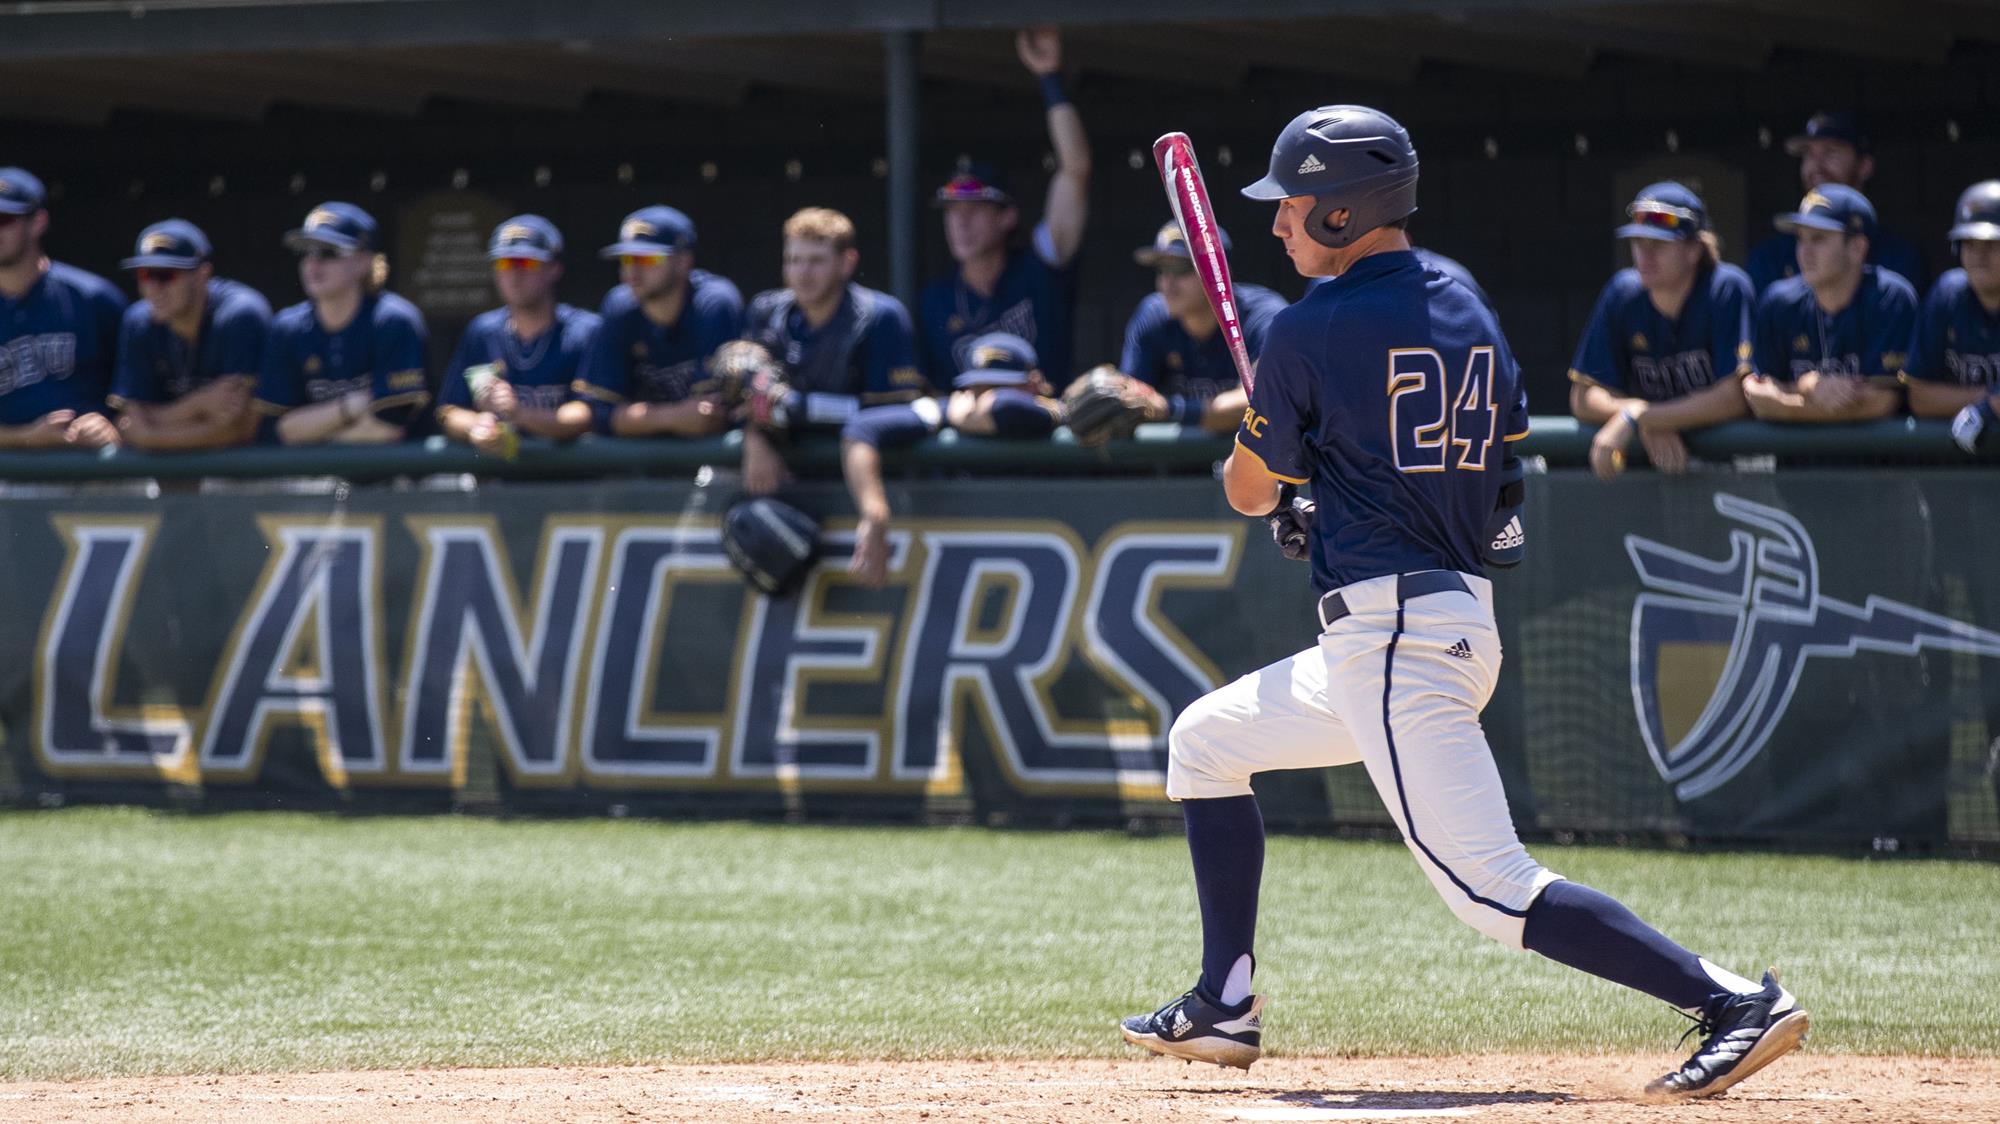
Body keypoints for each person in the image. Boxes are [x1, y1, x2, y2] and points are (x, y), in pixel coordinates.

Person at [1116, 104, 1809, 1102]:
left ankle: (1730, 998)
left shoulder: (1305, 329)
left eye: (1293, 207)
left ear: (1346, 214)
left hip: (1393, 636)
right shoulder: (1460, 295)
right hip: (1430, 616)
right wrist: (1331, 494)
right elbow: (1492, 463)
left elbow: (1245, 489)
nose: (1275, 225)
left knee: (1490, 889)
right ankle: (1225, 1000)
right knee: (1205, 742)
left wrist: (1293, 485)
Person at [917, 27, 1089, 387]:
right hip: (970, 436)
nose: (960, 223)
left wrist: (1049, 79)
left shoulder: (1040, 266)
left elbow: (1075, 170)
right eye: (952, 212)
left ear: (1007, 216)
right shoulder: (936, 301)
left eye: (975, 210)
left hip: (1047, 431)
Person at [839, 332, 1061, 587]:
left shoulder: (1050, 412)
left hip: (1045, 558)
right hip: (972, 564)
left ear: (1033, 384)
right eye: (975, 388)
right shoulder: (948, 410)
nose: (980, 397)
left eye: (996, 387)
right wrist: (874, 513)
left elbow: (1007, 408)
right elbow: (861, 428)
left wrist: (973, 416)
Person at [1567, 183, 1755, 480]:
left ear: (1694, 249)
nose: (1645, 254)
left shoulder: (1726, 289)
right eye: (1638, 242)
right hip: (1654, 471)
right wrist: (1640, 414)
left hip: (1732, 470)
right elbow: (1583, 396)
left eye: (1659, 244)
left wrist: (1640, 417)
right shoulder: (1623, 293)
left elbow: (1735, 396)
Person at [739, 206, 926, 494]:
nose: (802, 273)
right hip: (789, 478)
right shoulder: (766, 312)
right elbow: (749, 401)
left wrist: (799, 407)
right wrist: (756, 436)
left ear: (847, 262)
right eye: (793, 260)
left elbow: (890, 413)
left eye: (816, 261)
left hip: (872, 481)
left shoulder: (881, 316)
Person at [253, 202, 430, 444]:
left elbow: (389, 428)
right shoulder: (287, 327)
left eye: (328, 252)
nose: (313, 264)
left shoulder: (394, 321)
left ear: (362, 261)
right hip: (311, 479)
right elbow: (281, 429)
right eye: (307, 252)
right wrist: (349, 407)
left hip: (400, 477)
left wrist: (313, 433)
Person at [1744, 185, 1916, 423]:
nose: (1805, 251)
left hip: (1874, 457)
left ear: (1857, 248)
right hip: (1800, 457)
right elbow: (1759, 390)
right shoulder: (1779, 302)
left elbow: (1882, 401)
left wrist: (1787, 407)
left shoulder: (1890, 298)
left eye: (1819, 239)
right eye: (1801, 239)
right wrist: (1808, 385)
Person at [572, 205, 743, 437]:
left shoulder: (713, 304)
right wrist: (673, 416)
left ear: (684, 261)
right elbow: (600, 414)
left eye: (647, 258)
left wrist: (632, 418)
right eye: (627, 259)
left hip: (716, 464)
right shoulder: (619, 306)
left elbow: (710, 417)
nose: (632, 271)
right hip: (644, 463)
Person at [436, 216, 596, 456]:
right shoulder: (483, 331)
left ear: (554, 269)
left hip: (571, 482)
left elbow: (589, 414)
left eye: (525, 263)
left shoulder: (584, 331)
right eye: (503, 264)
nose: (513, 274)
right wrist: (478, 427)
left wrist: (520, 414)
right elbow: (450, 412)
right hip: (499, 479)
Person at [110, 219, 270, 452]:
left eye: (165, 275)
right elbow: (129, 422)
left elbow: (240, 429)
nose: (153, 288)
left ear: (202, 274)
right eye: (145, 275)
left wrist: (149, 435)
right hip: (170, 471)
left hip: (251, 473)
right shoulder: (138, 322)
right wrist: (199, 404)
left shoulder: (241, 315)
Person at [1114, 221, 1287, 433]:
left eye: (1180, 268)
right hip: (1180, 462)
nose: (1167, 283)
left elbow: (1260, 401)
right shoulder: (1153, 315)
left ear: (1221, 274)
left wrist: (1171, 409)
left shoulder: (1263, 316)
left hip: (1252, 457)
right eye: (1162, 269)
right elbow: (1132, 394)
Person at [0, 166, 124, 450]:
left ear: (38, 222)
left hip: (96, 466)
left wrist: (114, 425)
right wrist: (27, 436)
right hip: (10, 472)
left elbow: (144, 395)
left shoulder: (94, 299)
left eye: (4, 219)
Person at [1746, 111, 1925, 294]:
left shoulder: (1898, 257)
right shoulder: (1770, 256)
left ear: (1865, 166)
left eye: (1830, 152)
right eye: (1808, 154)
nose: (1816, 165)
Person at [1907, 181, 2000, 443]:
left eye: (1991, 244)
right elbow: (1920, 397)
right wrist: (1989, 399)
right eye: (1969, 244)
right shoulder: (1947, 295)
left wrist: (1986, 409)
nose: (1979, 255)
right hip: (1958, 462)